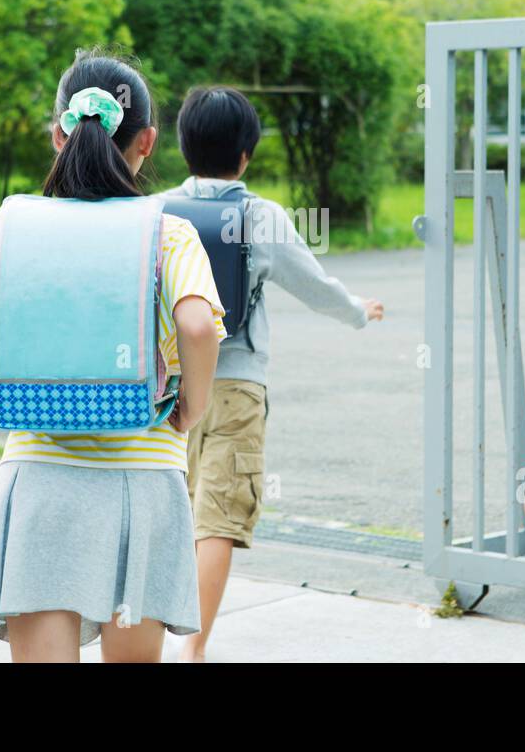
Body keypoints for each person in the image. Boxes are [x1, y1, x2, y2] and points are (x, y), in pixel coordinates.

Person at [0, 51, 225, 663]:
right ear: (146, 141)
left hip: (41, 478)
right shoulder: (168, 233)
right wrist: (192, 408)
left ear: (58, 134)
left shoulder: (18, 227)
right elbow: (198, 326)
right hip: (143, 481)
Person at [161, 86, 384, 662]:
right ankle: (194, 650)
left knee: (170, 510)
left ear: (182, 146)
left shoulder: (154, 211)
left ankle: (150, 637)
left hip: (163, 385)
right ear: (245, 155)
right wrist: (360, 310)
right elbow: (315, 287)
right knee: (219, 519)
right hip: (235, 387)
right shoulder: (261, 216)